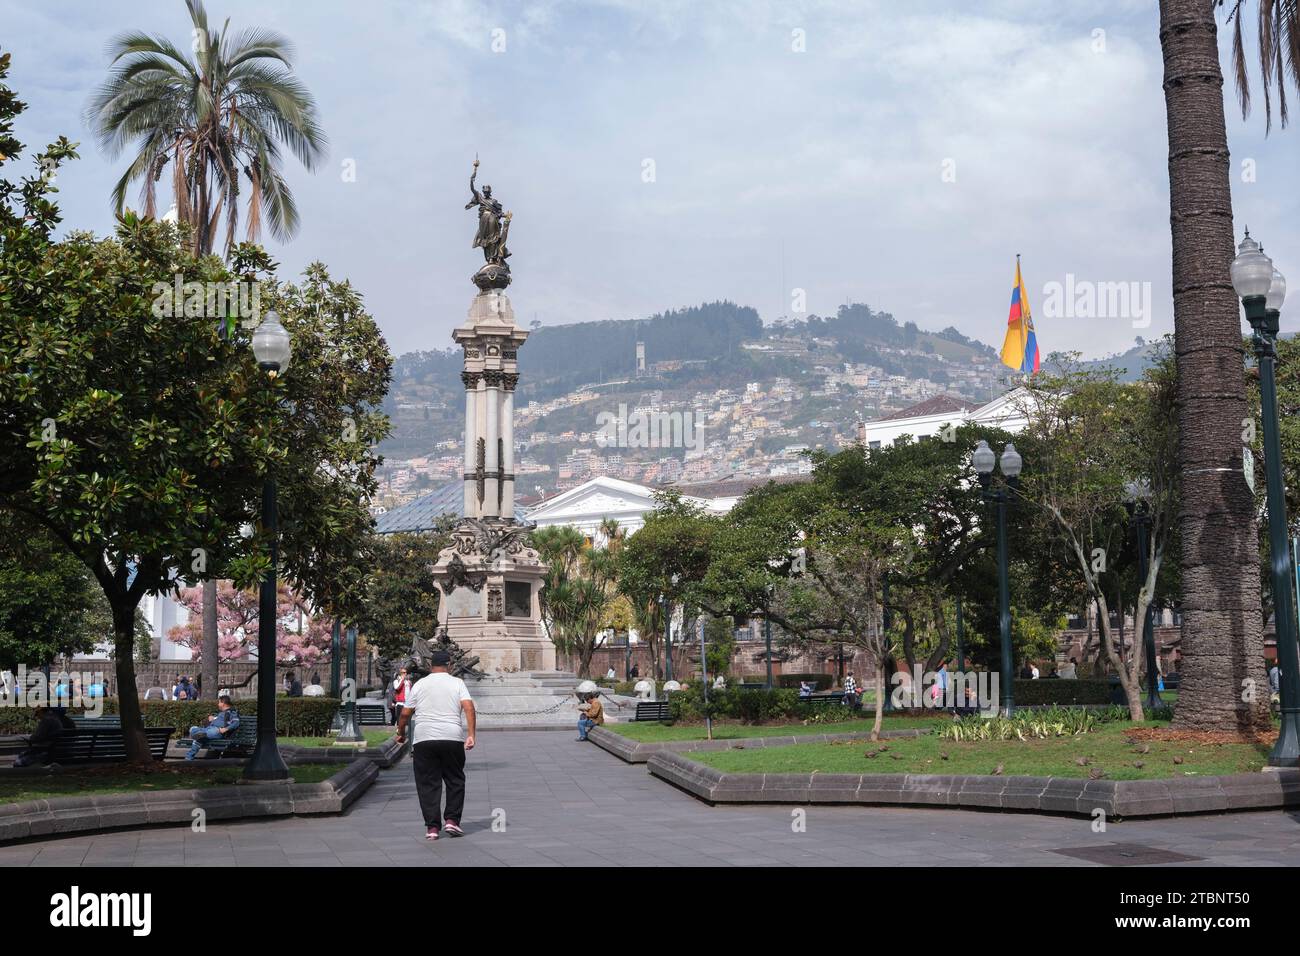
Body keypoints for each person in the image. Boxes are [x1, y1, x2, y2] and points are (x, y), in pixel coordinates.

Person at [396, 650, 475, 841]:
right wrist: (471, 734)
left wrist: (401, 733)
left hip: (424, 739)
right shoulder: (457, 683)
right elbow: (469, 707)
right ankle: (452, 821)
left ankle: (432, 827)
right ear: (449, 665)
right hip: (452, 737)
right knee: (455, 780)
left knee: (427, 783)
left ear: (431, 666)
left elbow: (405, 713)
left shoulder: (420, 684)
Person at [185, 695, 242, 760]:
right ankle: (200, 735)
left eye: (219, 702)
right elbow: (218, 720)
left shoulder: (232, 712)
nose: (218, 704)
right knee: (193, 728)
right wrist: (212, 719)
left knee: (200, 737)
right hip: (208, 729)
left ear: (223, 703)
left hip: (218, 731)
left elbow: (236, 723)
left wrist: (226, 729)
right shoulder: (221, 713)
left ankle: (189, 756)